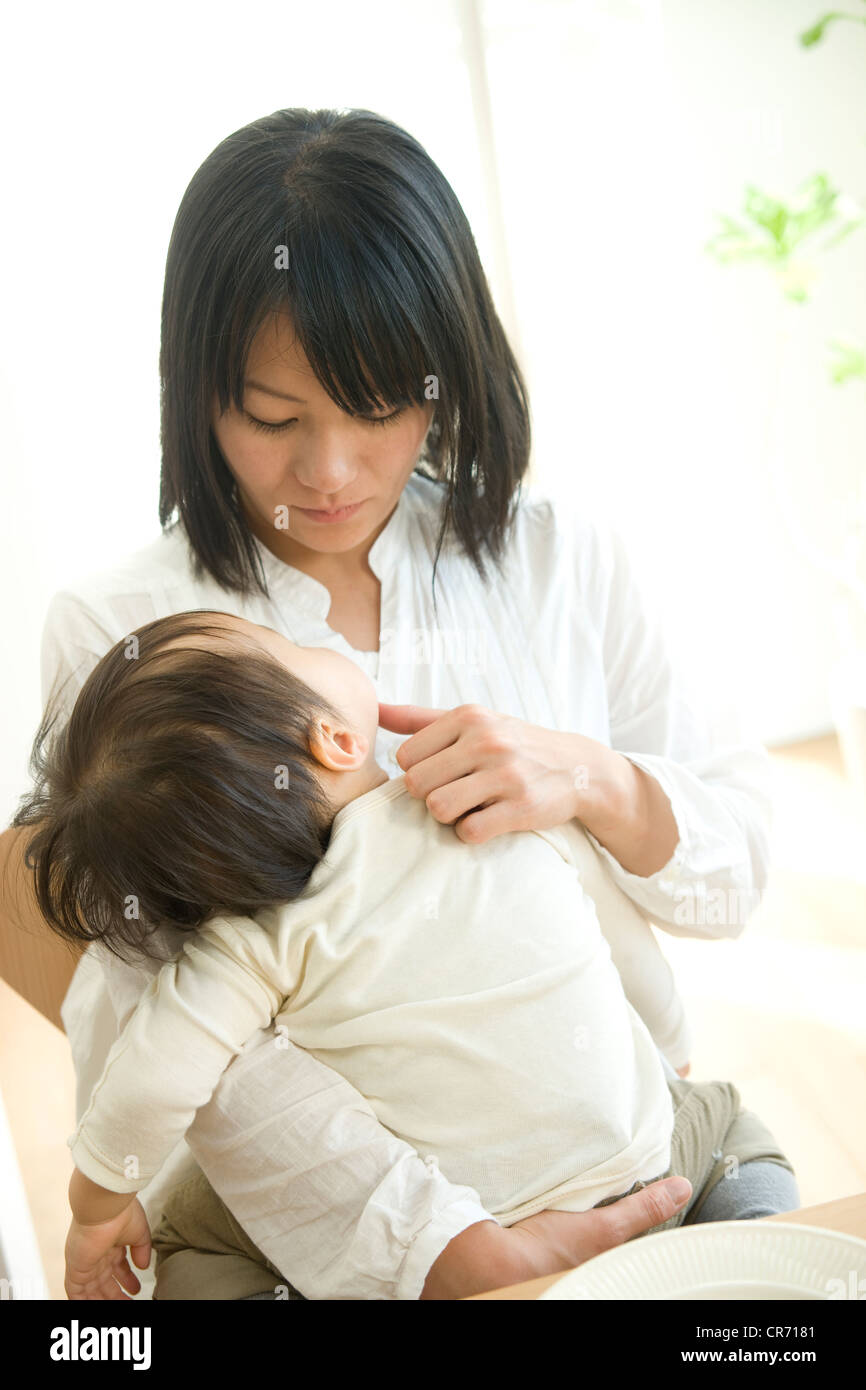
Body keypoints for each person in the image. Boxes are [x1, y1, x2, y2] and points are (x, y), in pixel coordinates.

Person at [24, 107, 795, 1300]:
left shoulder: (558, 558)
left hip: (612, 1148)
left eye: (379, 405)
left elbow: (737, 864)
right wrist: (439, 1249)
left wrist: (590, 782)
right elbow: (171, 1029)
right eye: (271, 416)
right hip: (310, 1229)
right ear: (194, 390)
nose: (327, 471)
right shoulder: (122, 633)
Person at [17, 608, 766, 1299]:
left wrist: (97, 1207)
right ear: (336, 740)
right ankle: (757, 1264)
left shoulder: (247, 949)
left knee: (184, 1230)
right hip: (655, 1168)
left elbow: (152, 1079)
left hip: (481, 1222)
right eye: (295, 647)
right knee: (738, 1138)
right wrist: (670, 1046)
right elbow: (619, 944)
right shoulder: (489, 803)